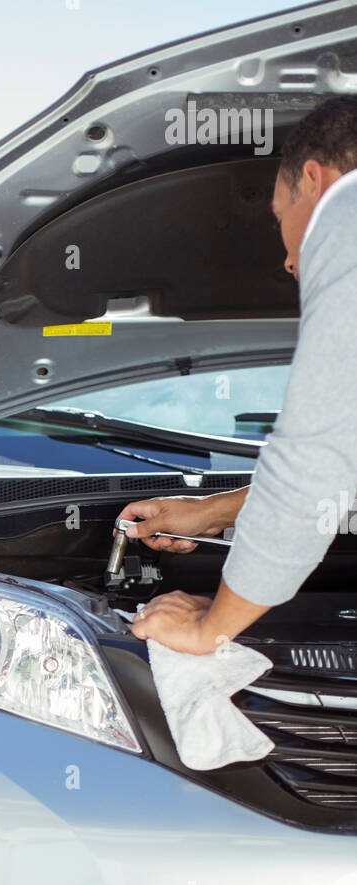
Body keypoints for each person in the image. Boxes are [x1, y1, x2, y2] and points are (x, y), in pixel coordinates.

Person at [115, 95, 357, 653]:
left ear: (314, 180)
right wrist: (211, 512)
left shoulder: (345, 209)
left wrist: (210, 629)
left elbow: (316, 460)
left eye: (279, 216)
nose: (290, 260)